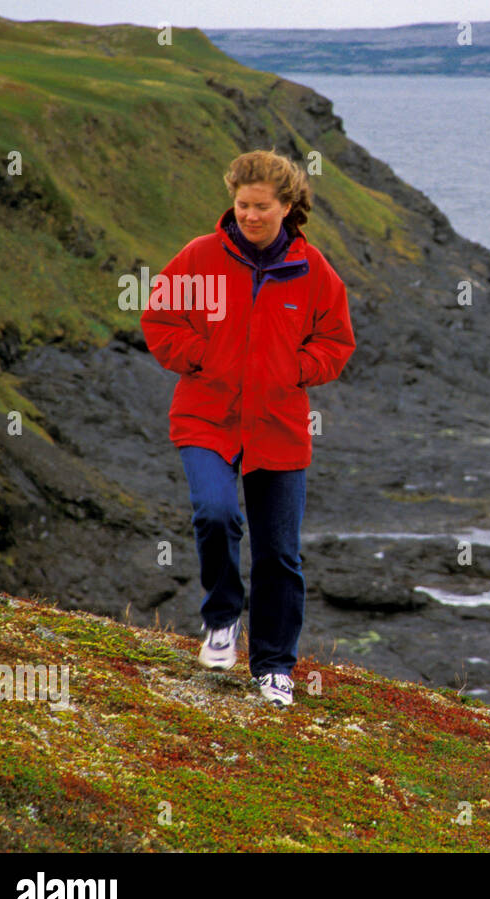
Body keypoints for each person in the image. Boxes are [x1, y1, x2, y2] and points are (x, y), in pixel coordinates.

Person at [140, 149, 356, 707]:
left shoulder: (313, 272)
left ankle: (275, 667)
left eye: (262, 207)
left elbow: (336, 342)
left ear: (287, 206)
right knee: (215, 513)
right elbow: (160, 317)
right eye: (242, 205)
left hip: (280, 427)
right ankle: (220, 622)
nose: (250, 216)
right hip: (205, 416)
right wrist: (201, 356)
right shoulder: (199, 257)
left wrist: (296, 369)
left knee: (280, 553)